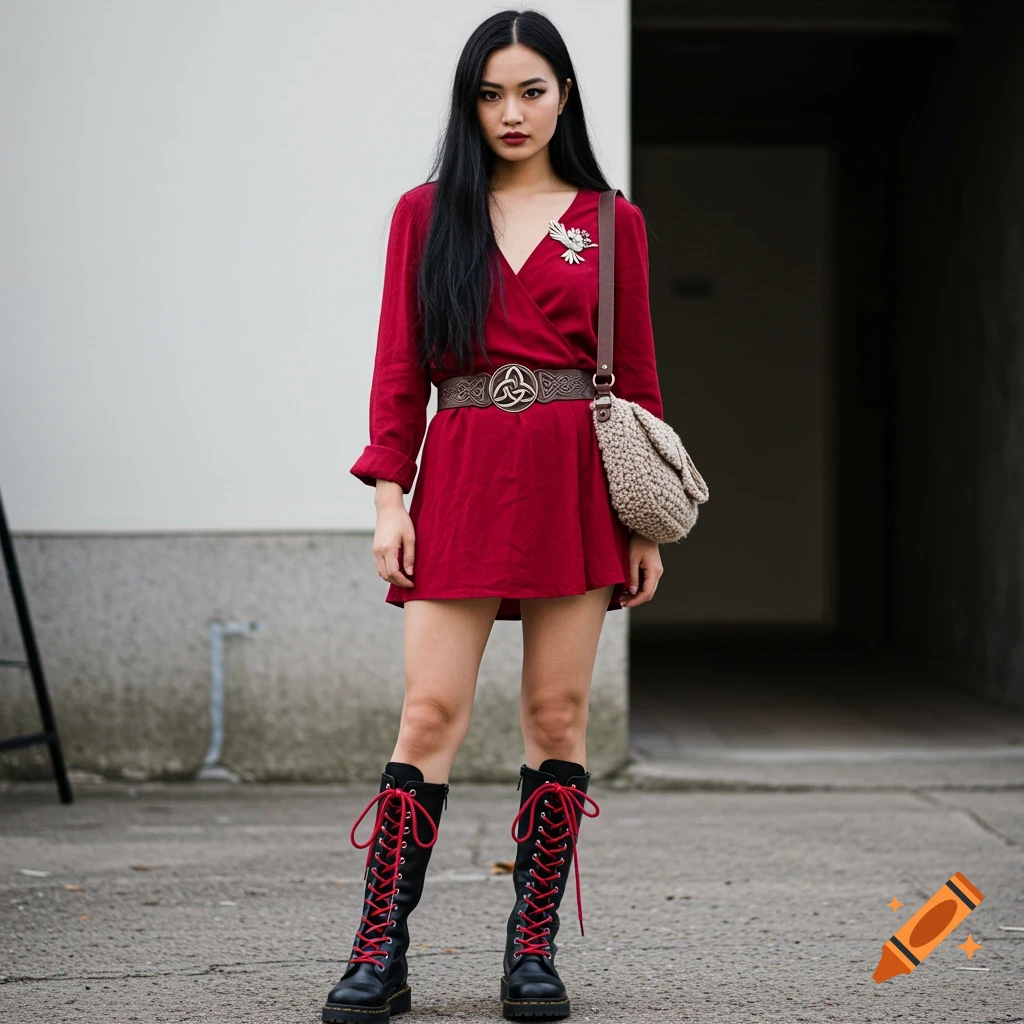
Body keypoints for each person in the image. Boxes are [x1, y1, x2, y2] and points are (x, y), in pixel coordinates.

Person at [322, 9, 664, 1023]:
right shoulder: (426, 214)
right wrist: (390, 497)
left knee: (557, 716)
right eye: (489, 93)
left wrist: (643, 525)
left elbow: (639, 380)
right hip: (464, 474)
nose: (510, 112)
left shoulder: (612, 221)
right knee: (429, 713)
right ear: (468, 104)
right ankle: (380, 950)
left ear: (564, 97)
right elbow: (398, 369)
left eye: (530, 90)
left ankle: (532, 953)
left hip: (574, 481)